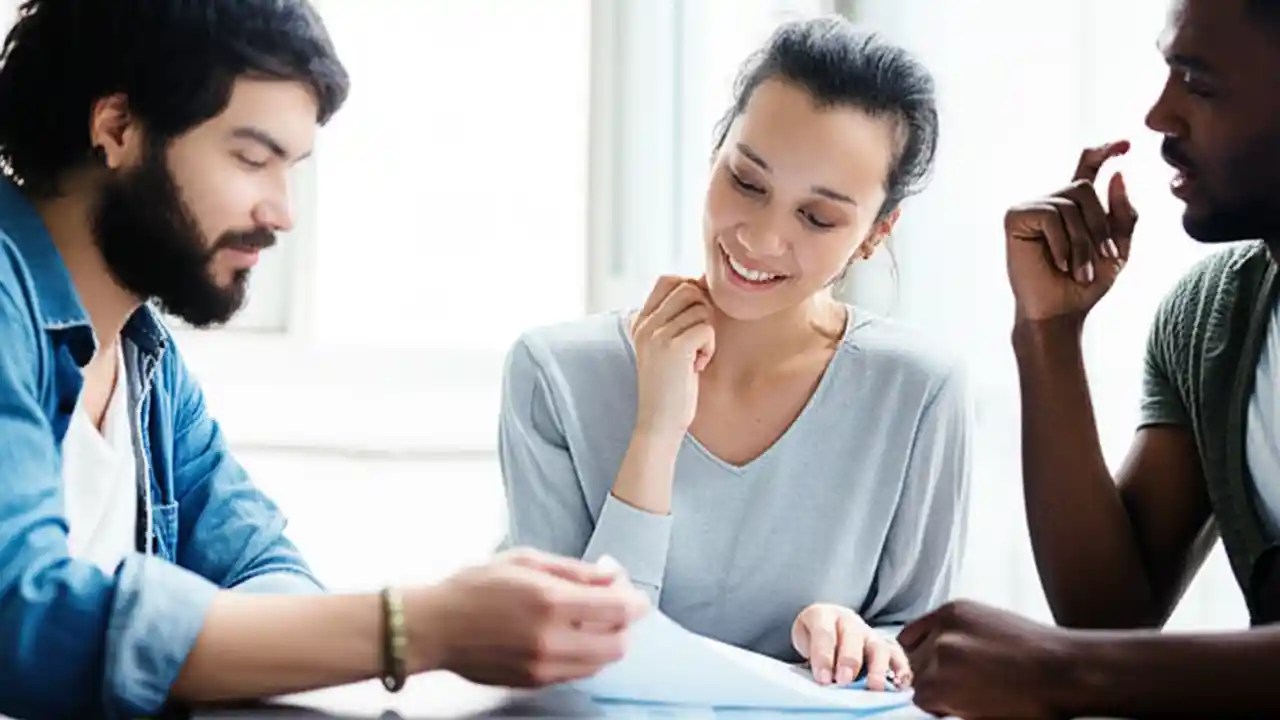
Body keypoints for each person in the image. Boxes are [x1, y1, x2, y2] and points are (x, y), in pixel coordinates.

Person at [0, 2, 646, 718]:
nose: (282, 211)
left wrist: (433, 625)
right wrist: (423, 626)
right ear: (118, 128)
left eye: (290, 168)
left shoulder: (146, 361)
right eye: (251, 159)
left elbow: (259, 565)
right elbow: (26, 618)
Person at [499, 16, 970, 692]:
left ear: (874, 235)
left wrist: (855, 637)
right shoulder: (555, 373)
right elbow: (573, 654)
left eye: (818, 217)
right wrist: (656, 431)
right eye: (747, 182)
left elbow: (917, 649)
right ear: (718, 151)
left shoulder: (919, 392)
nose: (762, 238)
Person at [901, 0, 1280, 717]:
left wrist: (1061, 671)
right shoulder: (1210, 319)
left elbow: (1090, 657)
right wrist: (1047, 331)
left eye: (1198, 84)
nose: (1160, 118)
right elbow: (1110, 620)